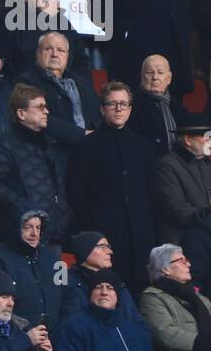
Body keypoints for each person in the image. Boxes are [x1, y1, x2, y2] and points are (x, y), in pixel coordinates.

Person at [66, 81, 158, 285]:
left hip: (140, 235)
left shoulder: (143, 147)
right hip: (104, 236)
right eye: (112, 103)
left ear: (130, 109)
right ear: (102, 108)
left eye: (124, 104)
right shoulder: (86, 146)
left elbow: (152, 192)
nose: (118, 109)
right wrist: (94, 225)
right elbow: (75, 192)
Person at [0, 84, 70, 244]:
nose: (47, 111)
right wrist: (26, 209)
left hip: (54, 232)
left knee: (57, 270)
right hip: (20, 233)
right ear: (21, 113)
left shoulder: (49, 144)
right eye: (40, 107)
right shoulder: (4, 144)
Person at [0, 0, 91, 81]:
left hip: (63, 83)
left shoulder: (59, 18)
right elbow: (24, 53)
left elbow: (79, 58)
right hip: (29, 85)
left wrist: (81, 88)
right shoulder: (11, 16)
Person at [15, 32, 100, 156]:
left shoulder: (83, 83)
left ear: (67, 56)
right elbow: (38, 117)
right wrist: (82, 135)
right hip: (52, 152)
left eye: (61, 50)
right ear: (38, 53)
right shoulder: (27, 81)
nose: (55, 54)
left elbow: (97, 116)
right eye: (48, 49)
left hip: (90, 150)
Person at [140, 244, 211, 351]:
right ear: (166, 269)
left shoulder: (199, 298)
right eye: (182, 261)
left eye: (187, 260)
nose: (188, 265)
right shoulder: (152, 298)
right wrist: (208, 342)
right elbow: (166, 335)